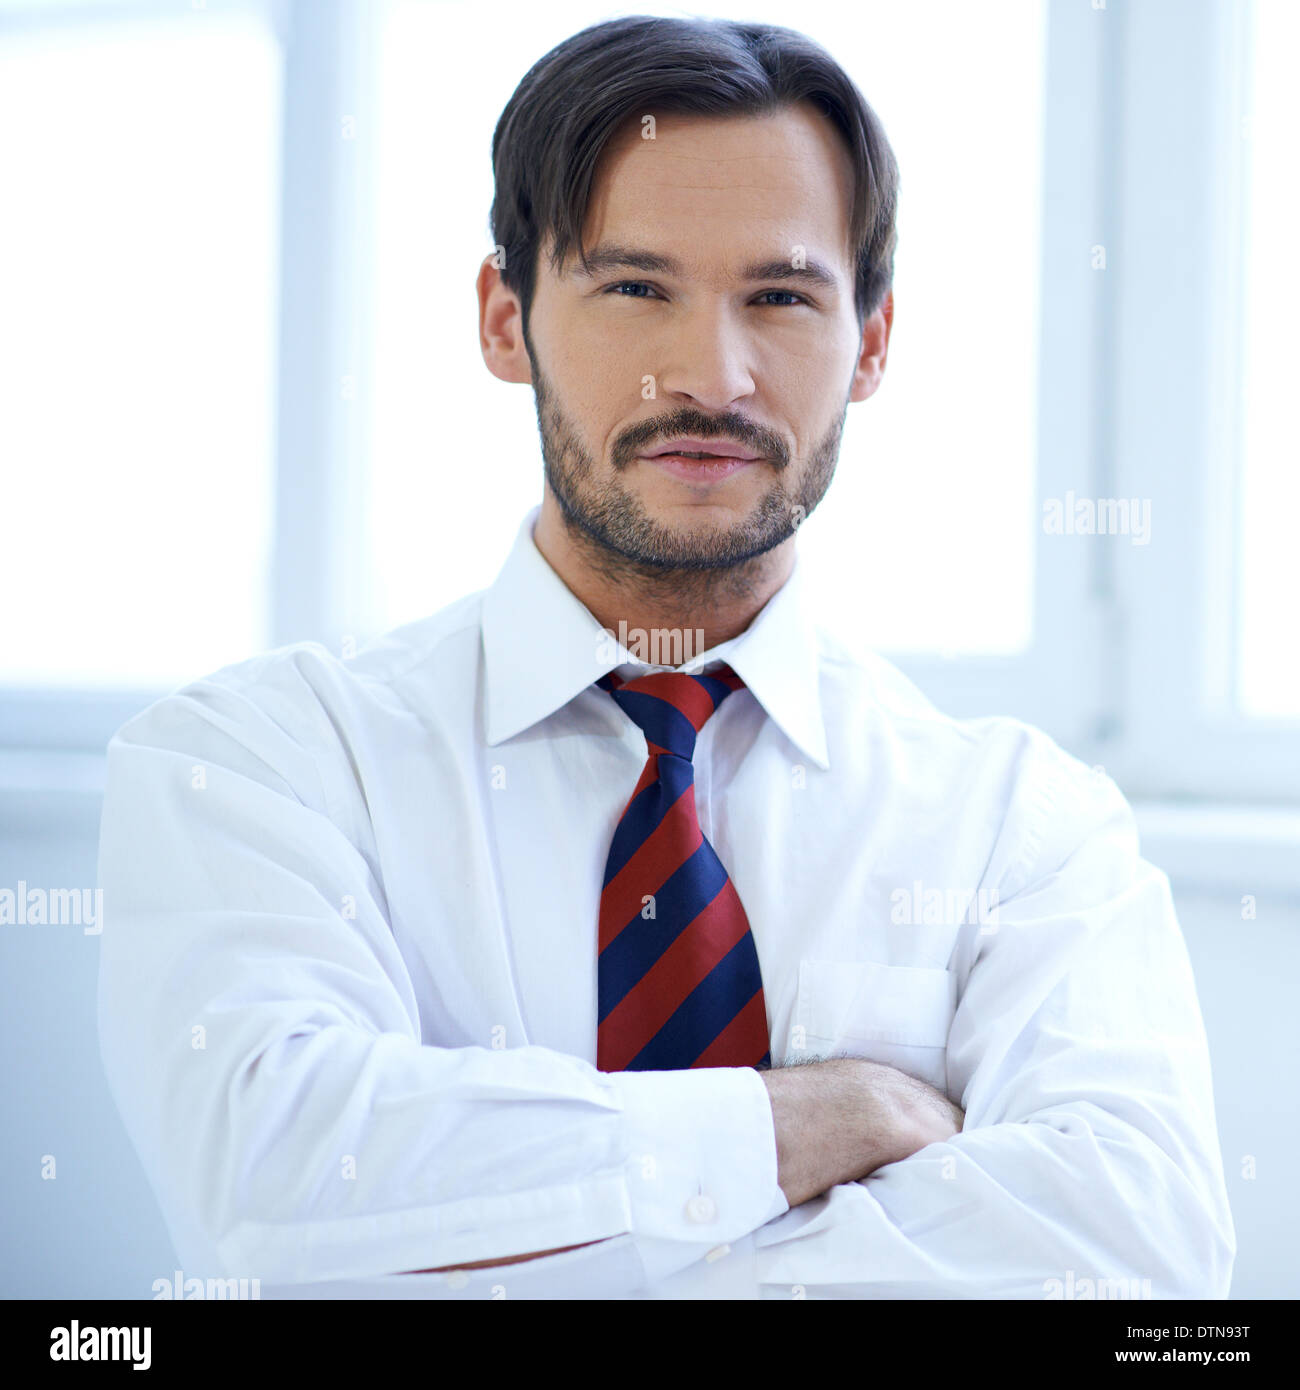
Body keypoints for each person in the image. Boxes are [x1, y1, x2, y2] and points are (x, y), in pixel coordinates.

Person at [97, 15, 1234, 1299]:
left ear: (869, 343)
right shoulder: (261, 768)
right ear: (503, 317)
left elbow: (1138, 1254)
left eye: (781, 297)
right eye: (636, 287)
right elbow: (274, 1185)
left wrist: (497, 1231)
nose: (711, 373)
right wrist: (807, 1123)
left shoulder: (1021, 830)